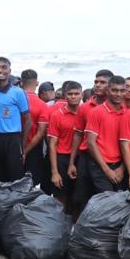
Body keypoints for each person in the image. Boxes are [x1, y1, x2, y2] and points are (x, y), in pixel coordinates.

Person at [68, 70, 112, 209]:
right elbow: (78, 135)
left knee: (108, 199)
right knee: (83, 197)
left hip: (110, 158)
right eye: (96, 82)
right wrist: (71, 162)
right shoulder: (85, 107)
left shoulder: (119, 107)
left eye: (102, 82)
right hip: (87, 158)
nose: (98, 85)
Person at [0, 57, 30, 183]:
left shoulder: (18, 92)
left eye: (4, 67)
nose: (0, 70)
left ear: (9, 71)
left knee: (15, 178)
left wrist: (23, 146)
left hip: (13, 140)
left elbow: (28, 120)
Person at [84, 75, 127, 193]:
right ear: (107, 91)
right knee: (107, 202)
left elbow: (129, 144)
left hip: (120, 165)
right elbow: (91, 143)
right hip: (100, 165)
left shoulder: (127, 113)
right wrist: (106, 170)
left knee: (122, 201)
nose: (118, 94)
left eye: (122, 90)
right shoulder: (96, 112)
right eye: (114, 90)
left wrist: (122, 168)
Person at [47, 80, 82, 212]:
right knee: (60, 195)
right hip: (62, 158)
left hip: (80, 159)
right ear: (65, 96)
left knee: (78, 196)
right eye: (70, 94)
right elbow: (52, 144)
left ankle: (75, 228)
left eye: (76, 93)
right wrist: (54, 172)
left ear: (81, 95)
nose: (73, 96)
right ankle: (59, 226)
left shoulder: (85, 113)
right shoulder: (57, 115)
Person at [20, 69, 49, 186]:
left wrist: (21, 151)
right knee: (32, 184)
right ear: (37, 83)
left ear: (21, 82)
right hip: (33, 149)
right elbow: (41, 132)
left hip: (14, 146)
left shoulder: (15, 100)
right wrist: (25, 151)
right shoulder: (42, 105)